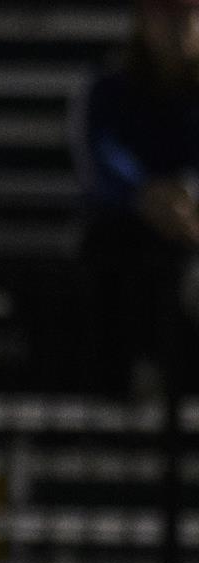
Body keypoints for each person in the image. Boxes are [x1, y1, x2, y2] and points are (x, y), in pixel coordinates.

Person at [77, 0, 199, 395]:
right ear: (143, 23)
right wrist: (147, 196)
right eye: (168, 16)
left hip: (191, 227)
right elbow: (104, 157)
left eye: (190, 15)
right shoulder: (111, 89)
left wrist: (188, 195)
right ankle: (125, 384)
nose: (180, 27)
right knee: (116, 258)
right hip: (131, 237)